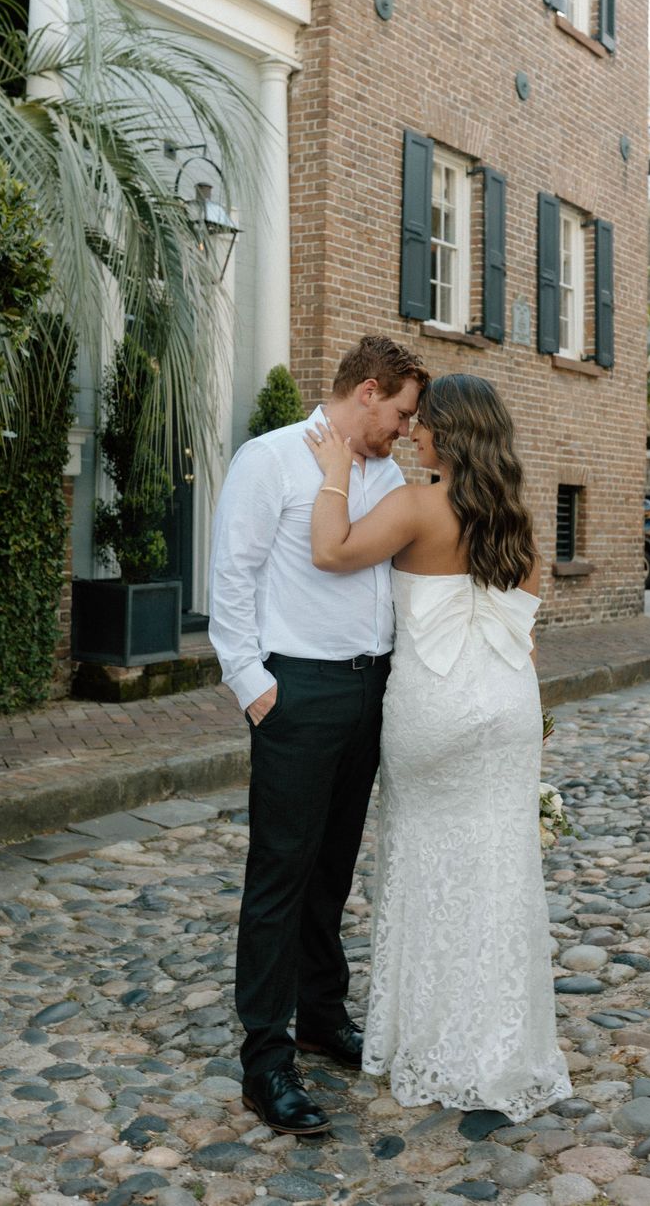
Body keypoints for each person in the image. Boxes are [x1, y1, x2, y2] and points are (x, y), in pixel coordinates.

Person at [303, 372, 572, 1122]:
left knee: (427, 869)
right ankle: (502, 1045)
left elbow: (331, 551)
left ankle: (431, 1042)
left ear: (448, 433)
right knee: (501, 874)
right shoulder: (515, 521)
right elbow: (524, 639)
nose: (413, 432)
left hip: (435, 710)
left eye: (422, 423)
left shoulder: (418, 505)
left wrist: (332, 477)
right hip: (509, 710)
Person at [208, 335, 429, 1136]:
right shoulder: (271, 458)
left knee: (333, 865)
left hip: (372, 689)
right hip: (297, 691)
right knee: (280, 872)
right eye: (401, 412)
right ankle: (266, 1058)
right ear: (368, 391)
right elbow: (231, 573)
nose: (406, 429)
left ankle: (320, 1016)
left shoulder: (390, 476)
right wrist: (253, 685)